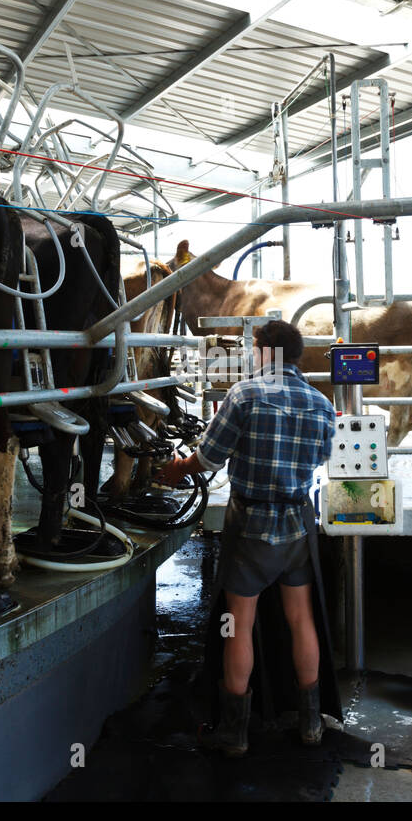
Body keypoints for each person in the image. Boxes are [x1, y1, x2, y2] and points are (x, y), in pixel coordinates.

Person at [156, 319, 335, 757]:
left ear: (264, 351)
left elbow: (209, 458)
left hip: (251, 523)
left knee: (239, 623)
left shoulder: (244, 395)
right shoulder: (320, 403)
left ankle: (234, 733)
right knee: (301, 619)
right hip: (297, 522)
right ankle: (311, 723)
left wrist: (177, 468)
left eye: (254, 349)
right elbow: (326, 457)